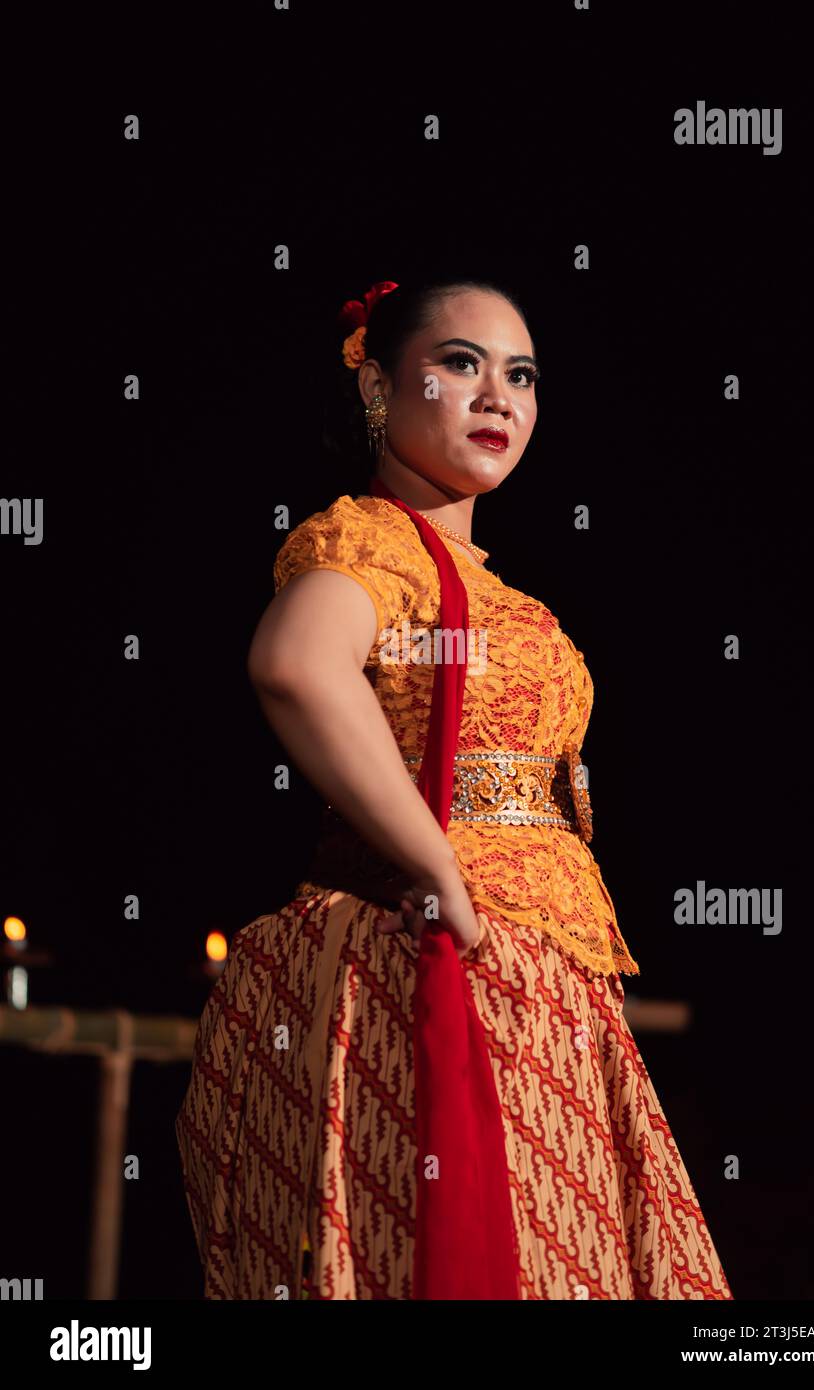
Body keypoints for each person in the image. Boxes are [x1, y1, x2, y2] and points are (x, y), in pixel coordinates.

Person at [175, 276, 734, 1301]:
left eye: (519, 375)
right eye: (460, 364)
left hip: (543, 978)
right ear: (381, 390)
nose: (498, 397)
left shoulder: (489, 582)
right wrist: (438, 869)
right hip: (446, 960)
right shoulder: (376, 543)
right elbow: (296, 661)